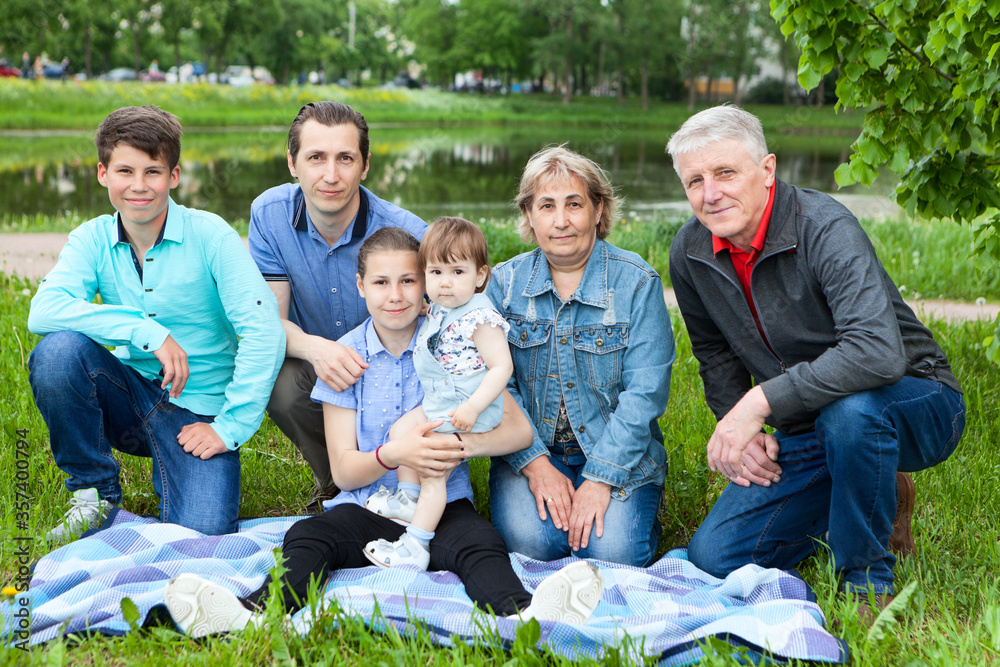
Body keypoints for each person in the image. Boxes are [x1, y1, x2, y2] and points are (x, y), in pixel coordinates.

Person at [163, 228, 603, 638]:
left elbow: (520, 431)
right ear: (360, 286)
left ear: (427, 283)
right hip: (368, 506)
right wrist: (395, 452)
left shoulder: (452, 342)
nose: (395, 296)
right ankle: (255, 613)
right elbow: (344, 471)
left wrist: (454, 446)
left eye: (409, 281)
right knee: (308, 536)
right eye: (380, 283)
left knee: (481, 543)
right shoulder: (346, 358)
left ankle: (524, 615)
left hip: (442, 504)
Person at [665, 105, 965, 606]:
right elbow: (714, 354)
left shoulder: (824, 226)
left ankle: (865, 581)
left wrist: (759, 402)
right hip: (809, 424)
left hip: (916, 400)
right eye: (694, 180)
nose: (710, 193)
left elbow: (877, 353)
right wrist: (746, 429)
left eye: (724, 172)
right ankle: (875, 488)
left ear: (767, 170)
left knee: (853, 412)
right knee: (714, 559)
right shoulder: (689, 252)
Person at [27, 105, 285, 538]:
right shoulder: (91, 238)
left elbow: (264, 331)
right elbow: (44, 310)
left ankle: (183, 474)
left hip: (198, 415)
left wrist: (230, 428)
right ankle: (94, 492)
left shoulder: (212, 235)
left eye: (153, 172)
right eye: (125, 171)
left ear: (175, 176)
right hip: (127, 395)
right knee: (57, 352)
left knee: (201, 539)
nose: (139, 186)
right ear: (102, 173)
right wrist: (144, 330)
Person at [486, 146, 674, 567]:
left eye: (574, 204)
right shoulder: (503, 284)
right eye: (546, 206)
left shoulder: (637, 283)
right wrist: (535, 465)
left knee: (613, 554)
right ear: (529, 215)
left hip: (619, 454)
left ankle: (640, 509)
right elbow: (495, 387)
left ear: (598, 209)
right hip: (531, 452)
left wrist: (600, 478)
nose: (561, 220)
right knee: (534, 546)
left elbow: (645, 394)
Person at [249, 101, 426, 511]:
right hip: (318, 365)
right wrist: (318, 350)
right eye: (316, 158)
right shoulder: (269, 216)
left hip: (393, 372)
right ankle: (337, 486)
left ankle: (407, 485)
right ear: (292, 163)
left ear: (364, 165)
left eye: (345, 158)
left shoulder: (408, 232)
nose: (331, 175)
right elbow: (270, 322)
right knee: (279, 382)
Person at [362, 217, 514, 569]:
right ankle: (408, 497)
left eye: (458, 272)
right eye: (436, 272)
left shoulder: (480, 317)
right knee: (401, 431)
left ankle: (415, 545)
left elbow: (502, 368)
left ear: (480, 275)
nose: (445, 283)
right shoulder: (443, 309)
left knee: (434, 471)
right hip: (443, 401)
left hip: (470, 405)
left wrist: (474, 408)